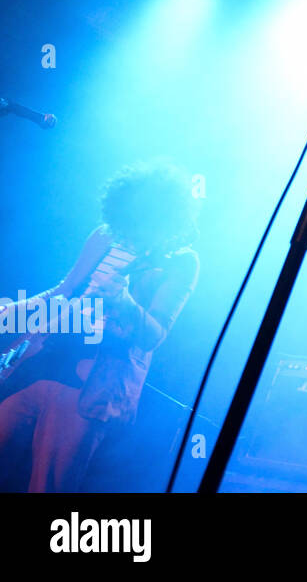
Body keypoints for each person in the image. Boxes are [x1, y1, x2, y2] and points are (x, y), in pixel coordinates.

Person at [0, 160, 200, 491]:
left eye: (137, 224)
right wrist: (14, 313)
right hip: (40, 364)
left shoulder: (181, 261)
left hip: (89, 387)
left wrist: (124, 302)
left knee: (46, 487)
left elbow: (154, 335)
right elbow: (63, 292)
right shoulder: (105, 235)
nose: (128, 233)